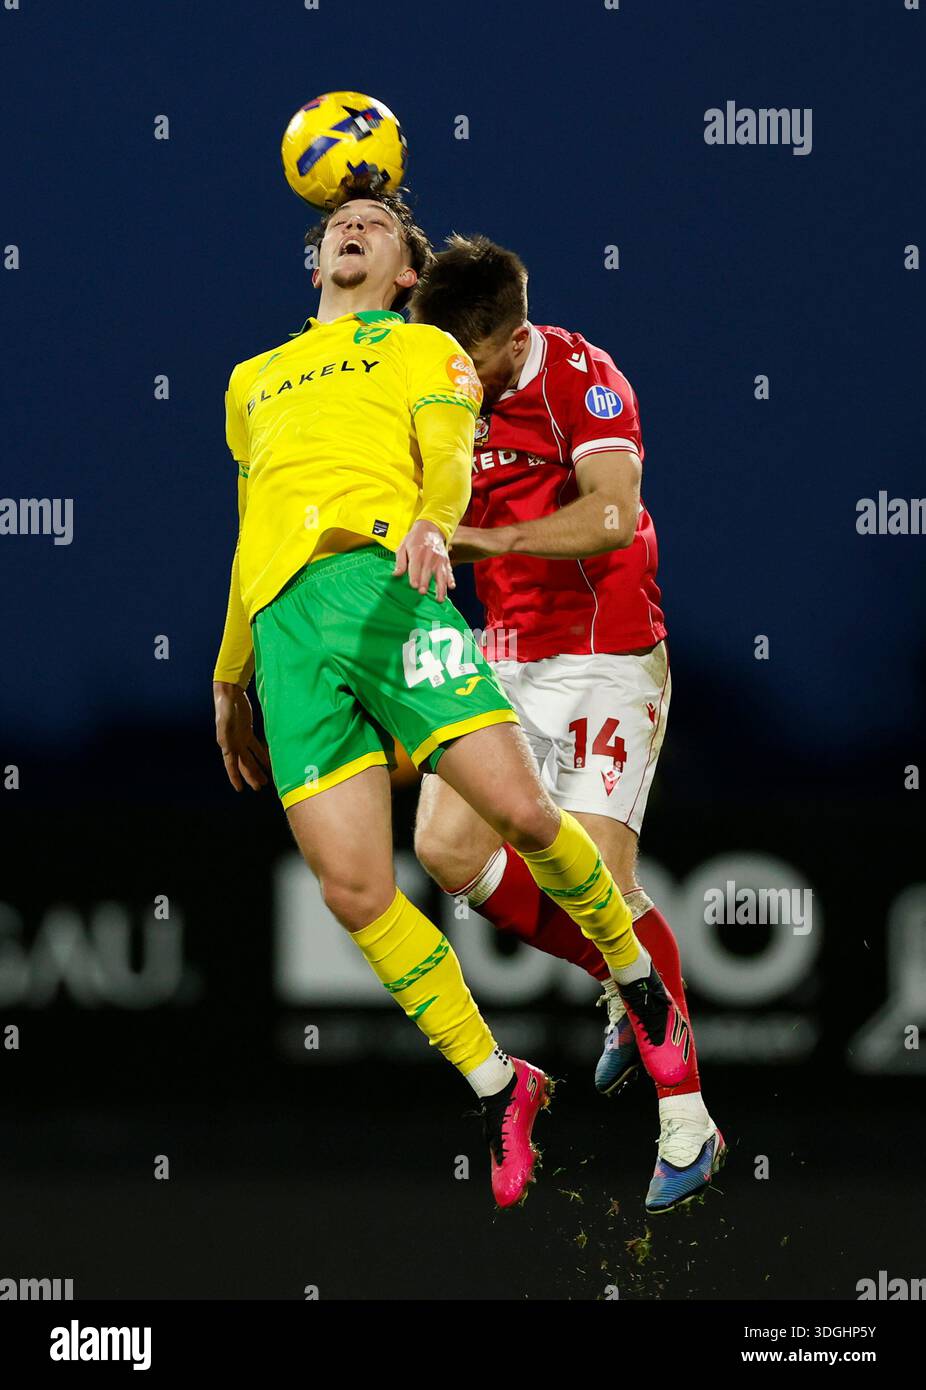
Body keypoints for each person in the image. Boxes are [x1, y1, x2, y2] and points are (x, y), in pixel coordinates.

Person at [212, 188, 690, 1209]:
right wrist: (228, 666)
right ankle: (498, 1080)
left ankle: (646, 1009)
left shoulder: (439, 353)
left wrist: (439, 528)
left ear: (404, 279)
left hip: (450, 608)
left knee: (534, 821)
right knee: (376, 880)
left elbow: (459, 467)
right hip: (305, 633)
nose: (350, 225)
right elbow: (251, 526)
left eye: (376, 223)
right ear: (314, 264)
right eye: (334, 222)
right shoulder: (252, 380)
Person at [411, 234, 725, 1213]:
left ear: (508, 342)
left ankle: (689, 1121)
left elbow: (612, 518)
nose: (457, 380)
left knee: (598, 874)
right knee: (444, 848)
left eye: (471, 362)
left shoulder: (581, 380)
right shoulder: (436, 381)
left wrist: (488, 537)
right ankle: (621, 983)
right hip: (502, 654)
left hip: (602, 648)